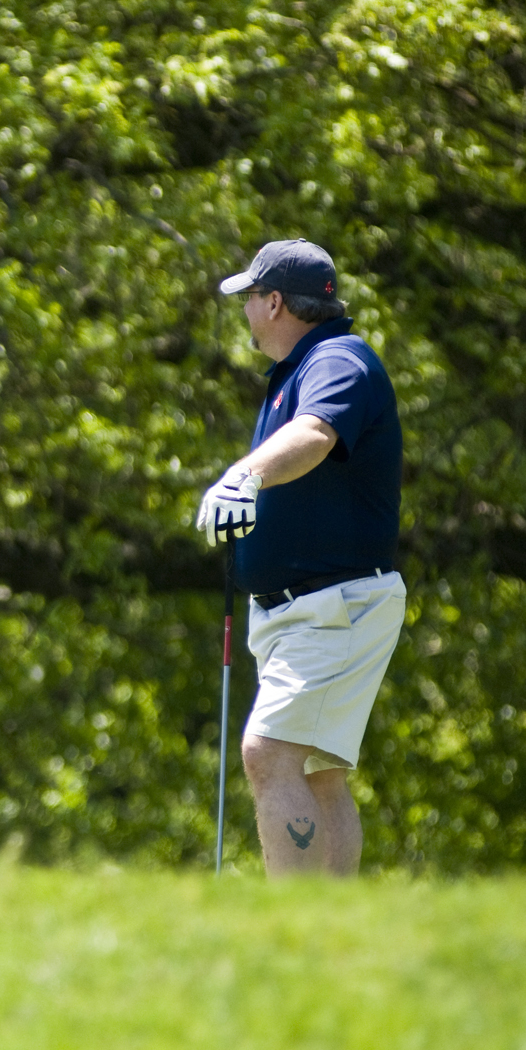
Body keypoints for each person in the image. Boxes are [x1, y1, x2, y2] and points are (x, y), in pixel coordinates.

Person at [196, 239, 405, 877]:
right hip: (314, 609)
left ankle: (294, 929)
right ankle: (326, 931)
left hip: (330, 607)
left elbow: (316, 433)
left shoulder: (337, 361)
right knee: (319, 773)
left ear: (276, 302)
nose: (247, 313)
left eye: (251, 299)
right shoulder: (303, 367)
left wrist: (243, 477)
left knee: (269, 753)